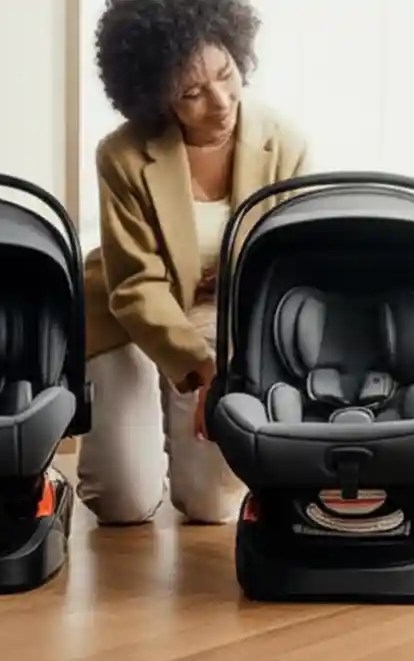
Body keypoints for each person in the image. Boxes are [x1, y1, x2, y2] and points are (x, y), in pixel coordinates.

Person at [76, 0, 311, 526]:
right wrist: (204, 372)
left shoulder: (285, 145)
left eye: (225, 75)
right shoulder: (121, 155)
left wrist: (227, 363)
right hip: (126, 319)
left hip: (220, 318)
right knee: (123, 503)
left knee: (212, 506)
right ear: (157, 97)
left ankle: (177, 433)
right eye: (191, 93)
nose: (221, 103)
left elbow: (290, 274)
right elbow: (136, 285)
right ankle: (145, 427)